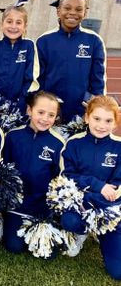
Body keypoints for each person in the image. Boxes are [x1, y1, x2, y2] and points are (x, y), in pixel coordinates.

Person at [60, 95, 121, 280]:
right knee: (69, 221)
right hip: (81, 204)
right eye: (96, 118)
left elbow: (117, 186)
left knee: (117, 272)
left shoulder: (119, 147)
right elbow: (68, 177)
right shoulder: (73, 143)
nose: (101, 125)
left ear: (116, 123)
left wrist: (104, 203)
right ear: (87, 118)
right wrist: (98, 186)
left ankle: (101, 232)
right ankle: (82, 232)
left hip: (108, 210)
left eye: (108, 120)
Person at [2, 91, 64, 255]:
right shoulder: (13, 136)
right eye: (40, 112)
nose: (45, 119)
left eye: (51, 115)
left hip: (42, 208)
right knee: (14, 247)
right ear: (29, 110)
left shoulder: (58, 143)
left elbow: (60, 179)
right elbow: (4, 169)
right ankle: (8, 221)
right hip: (17, 205)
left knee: (49, 253)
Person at [36, 0, 106, 123]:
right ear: (58, 11)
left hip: (81, 112)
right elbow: (38, 79)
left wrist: (96, 105)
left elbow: (98, 79)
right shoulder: (44, 40)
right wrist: (41, 104)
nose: (72, 13)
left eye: (79, 9)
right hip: (50, 112)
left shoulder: (94, 40)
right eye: (67, 8)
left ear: (85, 13)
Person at [0, 0, 39, 118]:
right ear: (1, 24)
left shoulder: (29, 46)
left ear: (25, 27)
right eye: (9, 21)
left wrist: (22, 102)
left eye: (18, 23)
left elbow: (31, 78)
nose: (13, 26)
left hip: (20, 106)